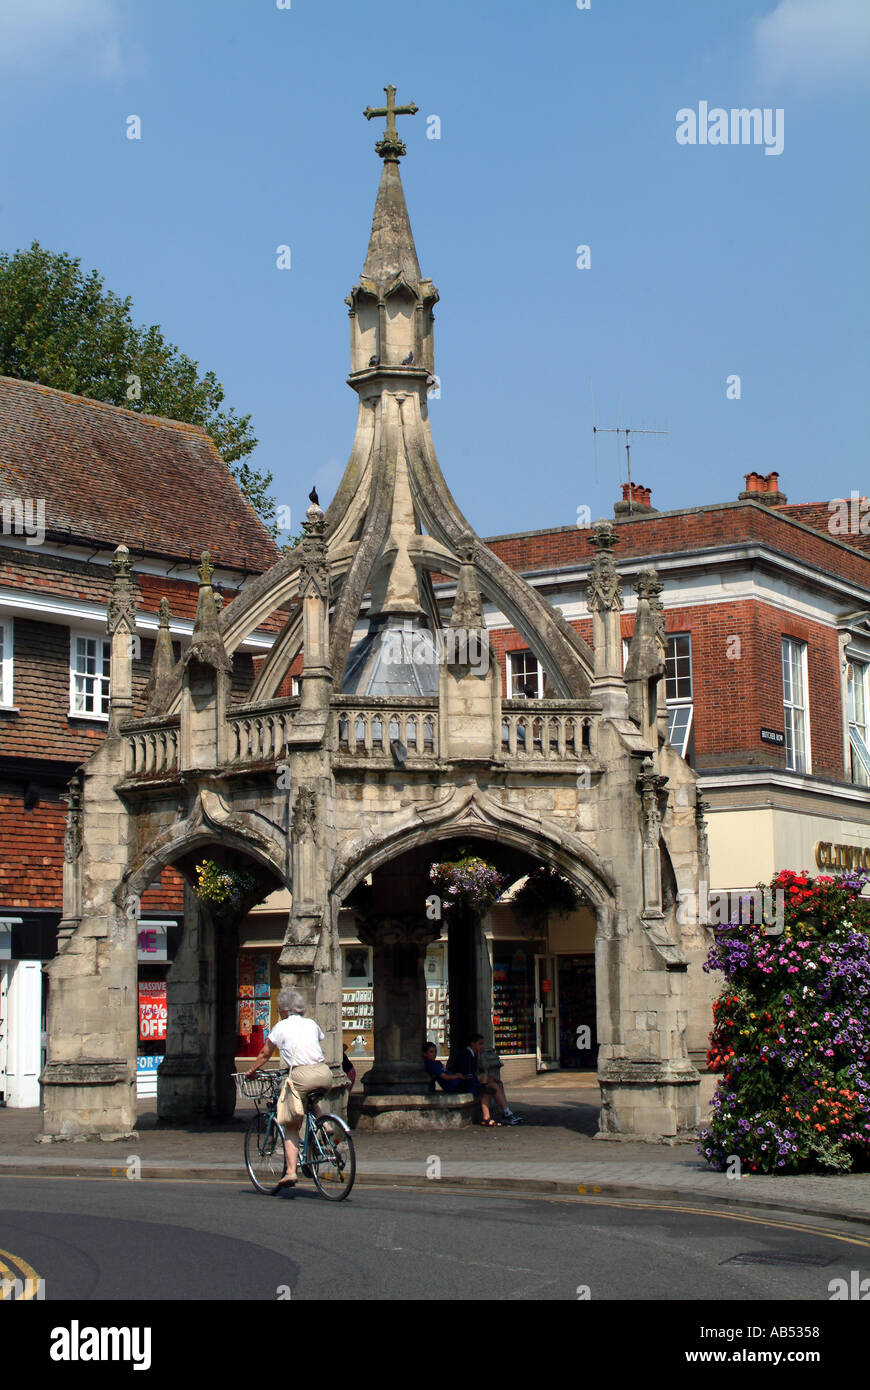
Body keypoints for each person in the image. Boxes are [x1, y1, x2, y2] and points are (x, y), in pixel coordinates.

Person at [245, 989, 333, 1188]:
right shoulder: (311, 1024)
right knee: (309, 1100)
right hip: (324, 1073)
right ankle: (325, 1126)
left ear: (284, 1010)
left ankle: (291, 1172)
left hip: (302, 1075)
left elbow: (264, 1054)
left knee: (291, 1124)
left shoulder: (280, 1027)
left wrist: (251, 1071)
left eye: (279, 1009)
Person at [459, 1034, 523, 1125]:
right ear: (473, 1044)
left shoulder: (474, 1055)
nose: (482, 1046)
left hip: (472, 1083)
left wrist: (489, 1078)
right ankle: (504, 1114)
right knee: (491, 1086)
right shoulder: (467, 1055)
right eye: (480, 1044)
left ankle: (506, 1111)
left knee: (497, 1084)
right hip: (465, 1085)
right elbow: (468, 1076)